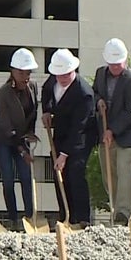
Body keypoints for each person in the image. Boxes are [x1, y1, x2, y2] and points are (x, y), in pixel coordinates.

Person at [41, 48, 96, 228]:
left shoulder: (84, 93)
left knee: (75, 172)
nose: (62, 78)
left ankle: (81, 219)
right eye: (59, 75)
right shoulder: (52, 81)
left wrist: (64, 154)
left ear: (73, 71)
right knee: (59, 174)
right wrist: (47, 111)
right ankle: (65, 215)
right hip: (60, 132)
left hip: (81, 137)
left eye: (66, 74)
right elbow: (46, 92)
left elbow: (78, 127)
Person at [93, 38, 131, 223]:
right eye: (112, 64)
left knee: (124, 169)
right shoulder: (100, 74)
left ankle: (123, 211)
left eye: (118, 64)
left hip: (126, 135)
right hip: (105, 133)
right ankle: (116, 207)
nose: (115, 67)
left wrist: (113, 130)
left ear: (125, 60)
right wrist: (98, 101)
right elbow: (95, 92)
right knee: (108, 174)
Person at [0, 48, 40, 231]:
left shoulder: (33, 86)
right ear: (12, 71)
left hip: (22, 137)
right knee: (9, 179)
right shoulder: (3, 93)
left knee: (26, 177)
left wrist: (30, 134)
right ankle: (13, 218)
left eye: (28, 72)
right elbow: (6, 124)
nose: (25, 76)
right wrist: (22, 150)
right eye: (21, 72)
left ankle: (29, 217)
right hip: (5, 138)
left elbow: (32, 114)